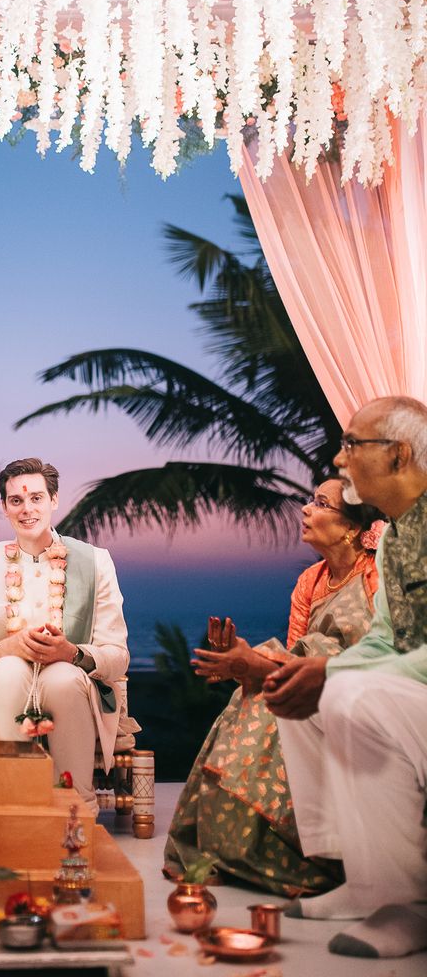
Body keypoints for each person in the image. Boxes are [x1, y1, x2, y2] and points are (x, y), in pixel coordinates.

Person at [264, 396, 427, 959]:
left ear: (399, 454)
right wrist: (313, 671)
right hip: (415, 692)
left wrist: (335, 672)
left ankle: (405, 901)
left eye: (352, 445)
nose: (339, 459)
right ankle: (359, 879)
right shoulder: (399, 539)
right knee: (299, 692)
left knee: (349, 694)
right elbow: (386, 640)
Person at [163, 480, 382, 895]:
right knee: (259, 693)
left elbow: (376, 648)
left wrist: (261, 664)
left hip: (359, 689)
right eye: (309, 500)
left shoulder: (377, 572)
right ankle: (232, 843)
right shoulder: (310, 582)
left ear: (352, 527)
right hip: (307, 684)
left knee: (270, 687)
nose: (304, 510)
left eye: (320, 503)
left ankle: (296, 851)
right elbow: (294, 650)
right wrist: (246, 666)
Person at [0, 457, 129, 815]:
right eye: (16, 501)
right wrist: (6, 647)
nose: (27, 509)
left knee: (64, 679)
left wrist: (72, 653)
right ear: (4, 507)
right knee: (6, 673)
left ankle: (76, 811)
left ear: (54, 500)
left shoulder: (95, 561)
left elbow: (117, 654)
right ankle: (11, 809)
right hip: (5, 675)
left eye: (36, 498)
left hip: (73, 677)